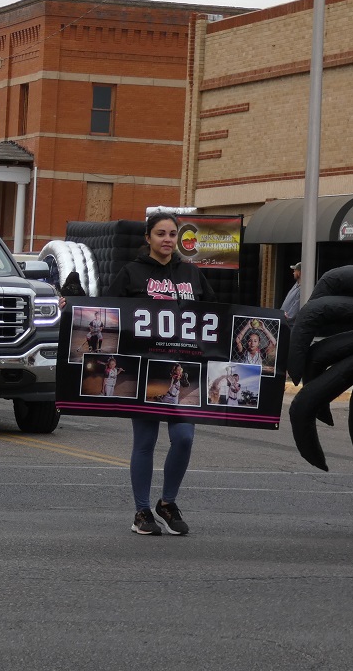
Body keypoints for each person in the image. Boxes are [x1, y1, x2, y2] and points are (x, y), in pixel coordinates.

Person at [106, 211, 216, 536]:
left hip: (185, 369)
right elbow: (107, 310)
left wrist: (273, 318)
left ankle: (167, 503)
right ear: (148, 238)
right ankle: (141, 511)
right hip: (144, 369)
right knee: (145, 441)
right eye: (160, 233)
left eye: (172, 234)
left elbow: (217, 315)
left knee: (184, 438)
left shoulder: (191, 273)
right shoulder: (131, 273)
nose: (167, 239)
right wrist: (71, 306)